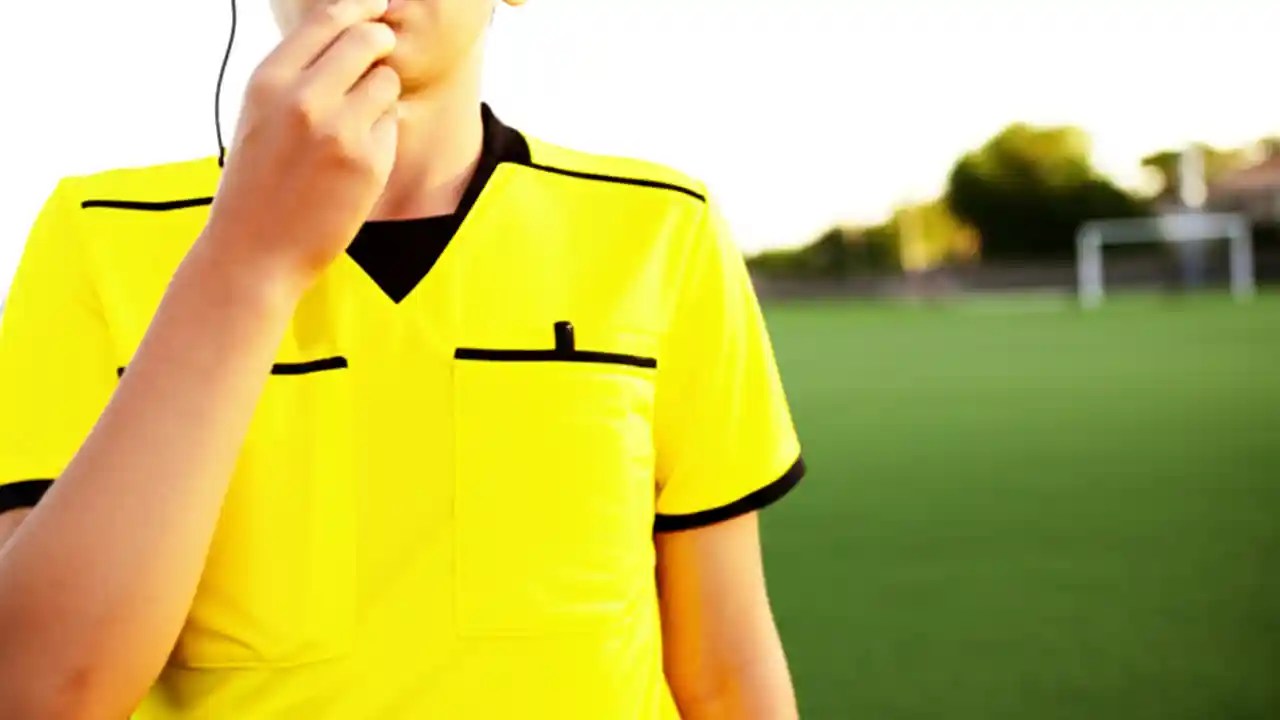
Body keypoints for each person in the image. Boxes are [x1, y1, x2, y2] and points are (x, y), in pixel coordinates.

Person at [0, 0, 806, 717]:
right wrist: (246, 263)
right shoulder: (94, 235)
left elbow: (726, 676)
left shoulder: (662, 230)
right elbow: (38, 692)